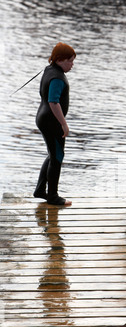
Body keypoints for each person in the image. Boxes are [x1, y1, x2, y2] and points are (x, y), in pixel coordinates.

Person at [34, 42, 76, 205]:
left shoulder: (49, 69)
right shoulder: (57, 78)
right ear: (59, 60)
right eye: (70, 61)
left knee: (53, 154)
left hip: (43, 117)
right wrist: (64, 124)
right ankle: (53, 196)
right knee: (57, 157)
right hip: (51, 122)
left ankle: (40, 190)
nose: (72, 64)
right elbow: (53, 102)